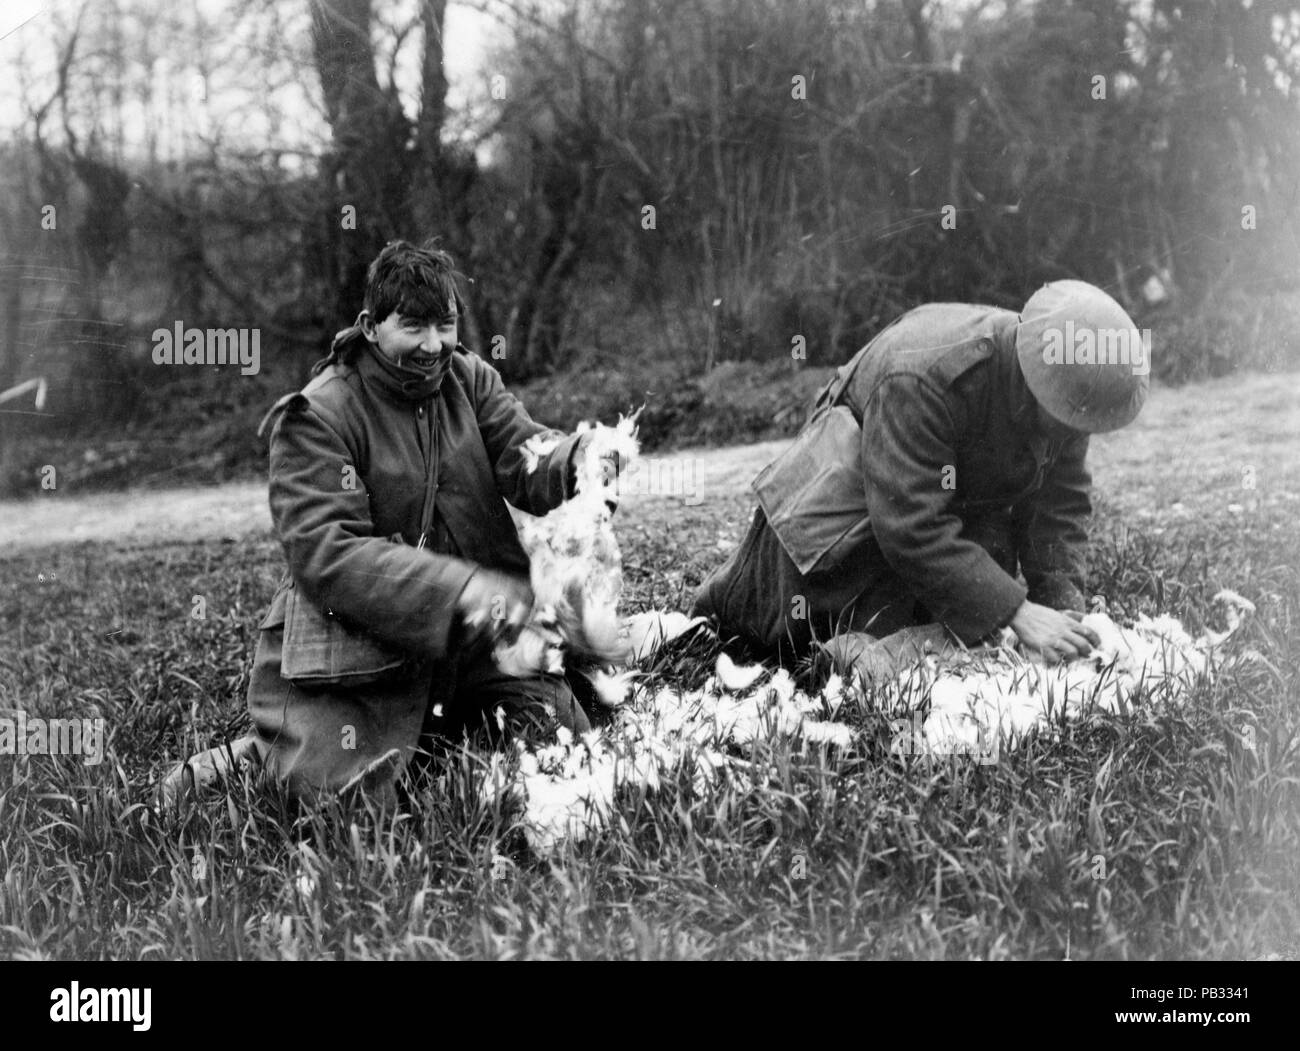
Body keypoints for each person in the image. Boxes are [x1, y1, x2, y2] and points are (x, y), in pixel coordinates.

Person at [161, 240, 617, 807]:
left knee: (561, 743)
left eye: (445, 326)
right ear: (371, 326)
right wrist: (463, 590)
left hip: (473, 643)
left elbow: (525, 453)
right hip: (357, 651)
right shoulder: (318, 416)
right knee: (344, 804)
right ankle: (259, 750)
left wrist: (577, 459)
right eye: (414, 327)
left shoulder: (469, 381)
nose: (433, 346)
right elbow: (332, 556)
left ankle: (434, 722)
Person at [690, 280, 1150, 678]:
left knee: (977, 619)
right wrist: (1018, 611)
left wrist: (1060, 605)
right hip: (846, 520)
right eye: (1066, 421)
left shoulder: (1062, 389)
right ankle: (850, 652)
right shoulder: (926, 375)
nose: (1072, 435)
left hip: (933, 509)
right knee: (786, 625)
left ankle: (878, 646)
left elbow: (1060, 504)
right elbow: (910, 524)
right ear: (1036, 383)